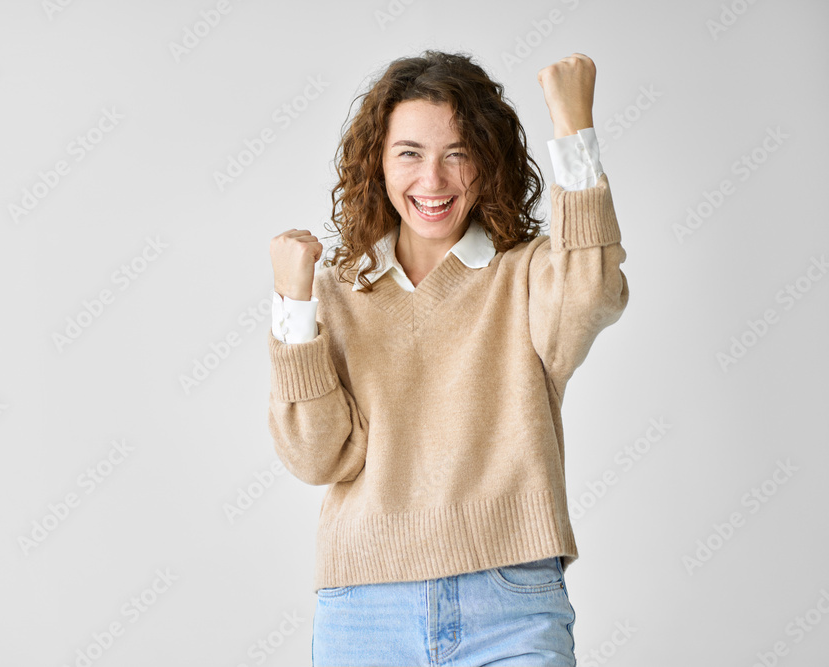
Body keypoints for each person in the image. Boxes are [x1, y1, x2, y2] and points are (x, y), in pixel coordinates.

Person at [267, 50, 629, 667]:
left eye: (457, 154)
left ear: (487, 165)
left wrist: (574, 126)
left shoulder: (528, 273)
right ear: (377, 162)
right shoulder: (335, 289)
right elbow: (317, 454)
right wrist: (292, 305)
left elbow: (591, 287)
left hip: (510, 601)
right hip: (366, 609)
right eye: (409, 152)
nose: (432, 180)